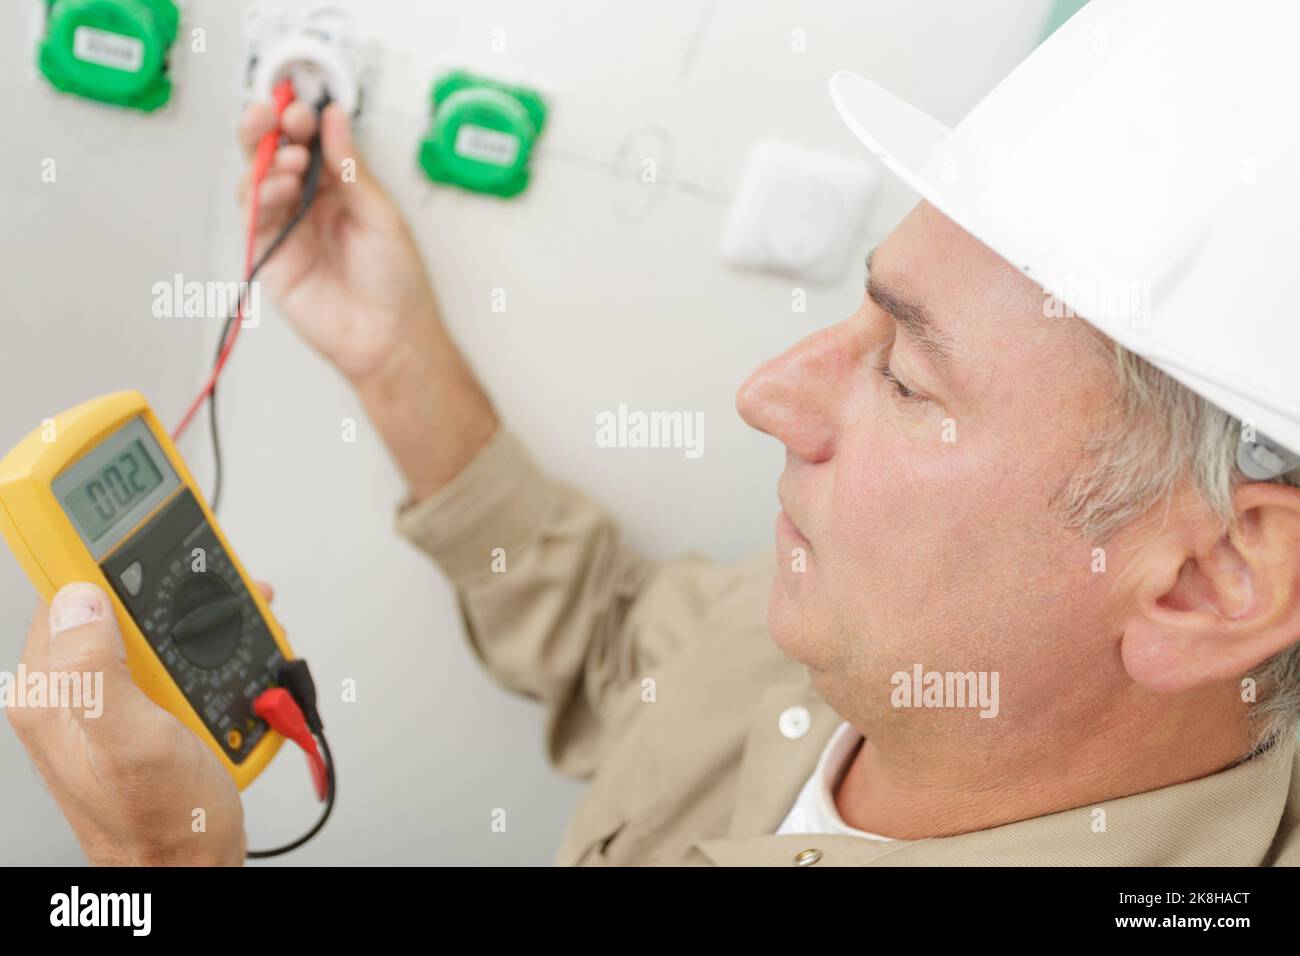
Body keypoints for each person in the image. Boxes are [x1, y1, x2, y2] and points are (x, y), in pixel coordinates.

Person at [10, 0, 1300, 866]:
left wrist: (144, 875)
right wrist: (395, 356)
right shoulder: (879, 634)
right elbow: (624, 644)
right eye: (858, 314)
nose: (771, 394)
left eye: (909, 377)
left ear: (1213, 577)